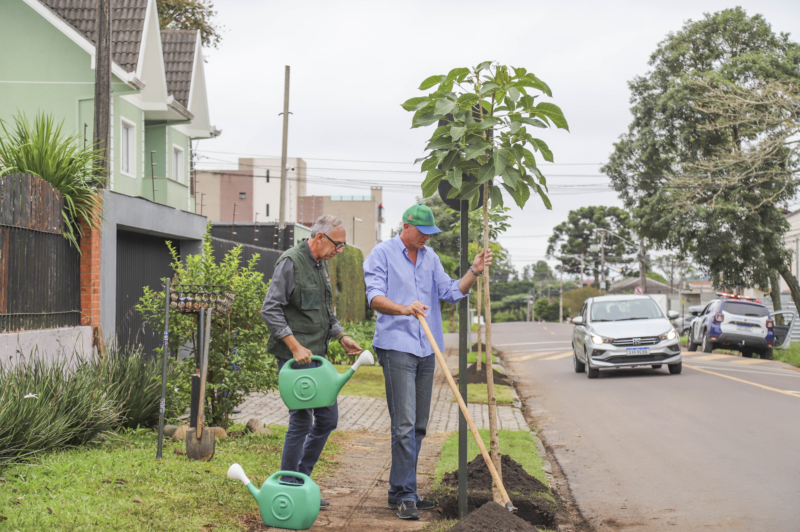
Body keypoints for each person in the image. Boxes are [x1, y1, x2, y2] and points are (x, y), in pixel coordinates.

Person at [363, 203, 492, 520]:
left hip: (426, 349)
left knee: (419, 425)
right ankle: (407, 494)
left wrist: (473, 271)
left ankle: (398, 491)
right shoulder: (381, 254)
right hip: (396, 347)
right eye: (422, 233)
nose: (427, 239)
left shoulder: (430, 258)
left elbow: (450, 292)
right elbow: (374, 297)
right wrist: (404, 308)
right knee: (404, 425)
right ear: (406, 227)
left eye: (430, 234)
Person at [261, 214, 363, 508]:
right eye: (338, 244)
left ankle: (301, 479)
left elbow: (324, 312)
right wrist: (294, 346)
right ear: (320, 237)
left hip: (318, 359)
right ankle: (290, 486)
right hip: (295, 361)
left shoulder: (321, 266)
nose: (339, 251)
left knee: (328, 419)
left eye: (342, 246)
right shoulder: (291, 262)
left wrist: (341, 335)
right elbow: (270, 309)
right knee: (302, 419)